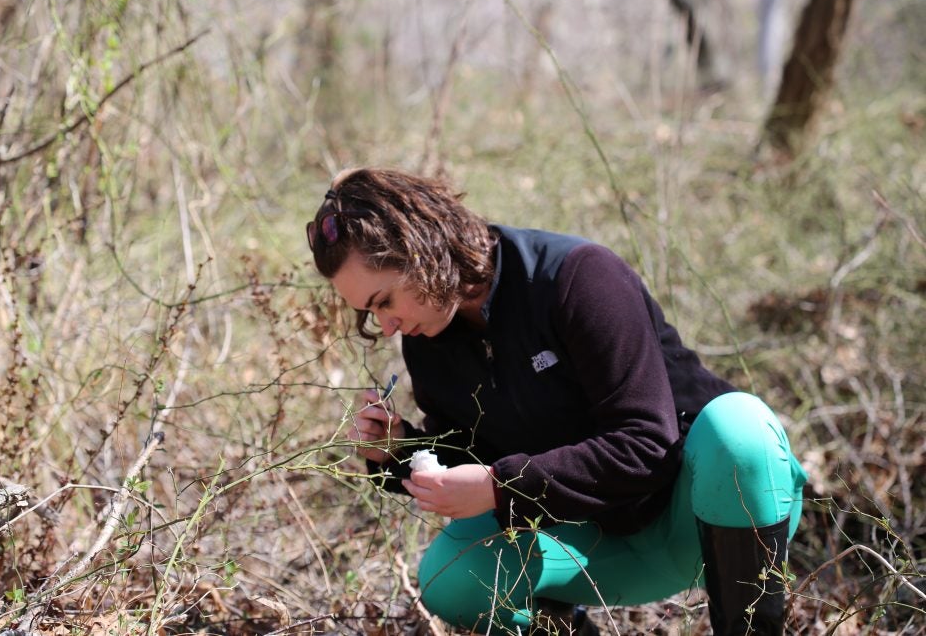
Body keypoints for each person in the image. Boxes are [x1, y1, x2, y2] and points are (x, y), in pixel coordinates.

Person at [307, 167, 808, 635]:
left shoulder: (579, 277)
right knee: (449, 580)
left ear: (421, 252)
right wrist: (399, 451)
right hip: (598, 549)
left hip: (708, 522)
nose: (388, 326)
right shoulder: (429, 338)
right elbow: (479, 456)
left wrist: (502, 487)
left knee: (739, 426)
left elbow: (647, 443)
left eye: (384, 302)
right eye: (372, 315)